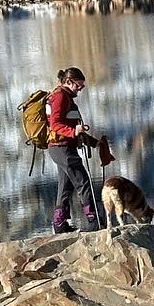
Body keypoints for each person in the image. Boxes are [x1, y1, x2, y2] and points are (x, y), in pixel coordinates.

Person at [47, 67, 107, 234]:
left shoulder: (64, 96)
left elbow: (74, 129)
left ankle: (59, 225)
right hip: (62, 149)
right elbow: (55, 124)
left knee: (65, 187)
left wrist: (94, 143)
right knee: (83, 181)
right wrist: (73, 132)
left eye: (82, 86)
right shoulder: (60, 97)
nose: (80, 89)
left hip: (60, 148)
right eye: (78, 85)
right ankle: (93, 220)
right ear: (68, 82)